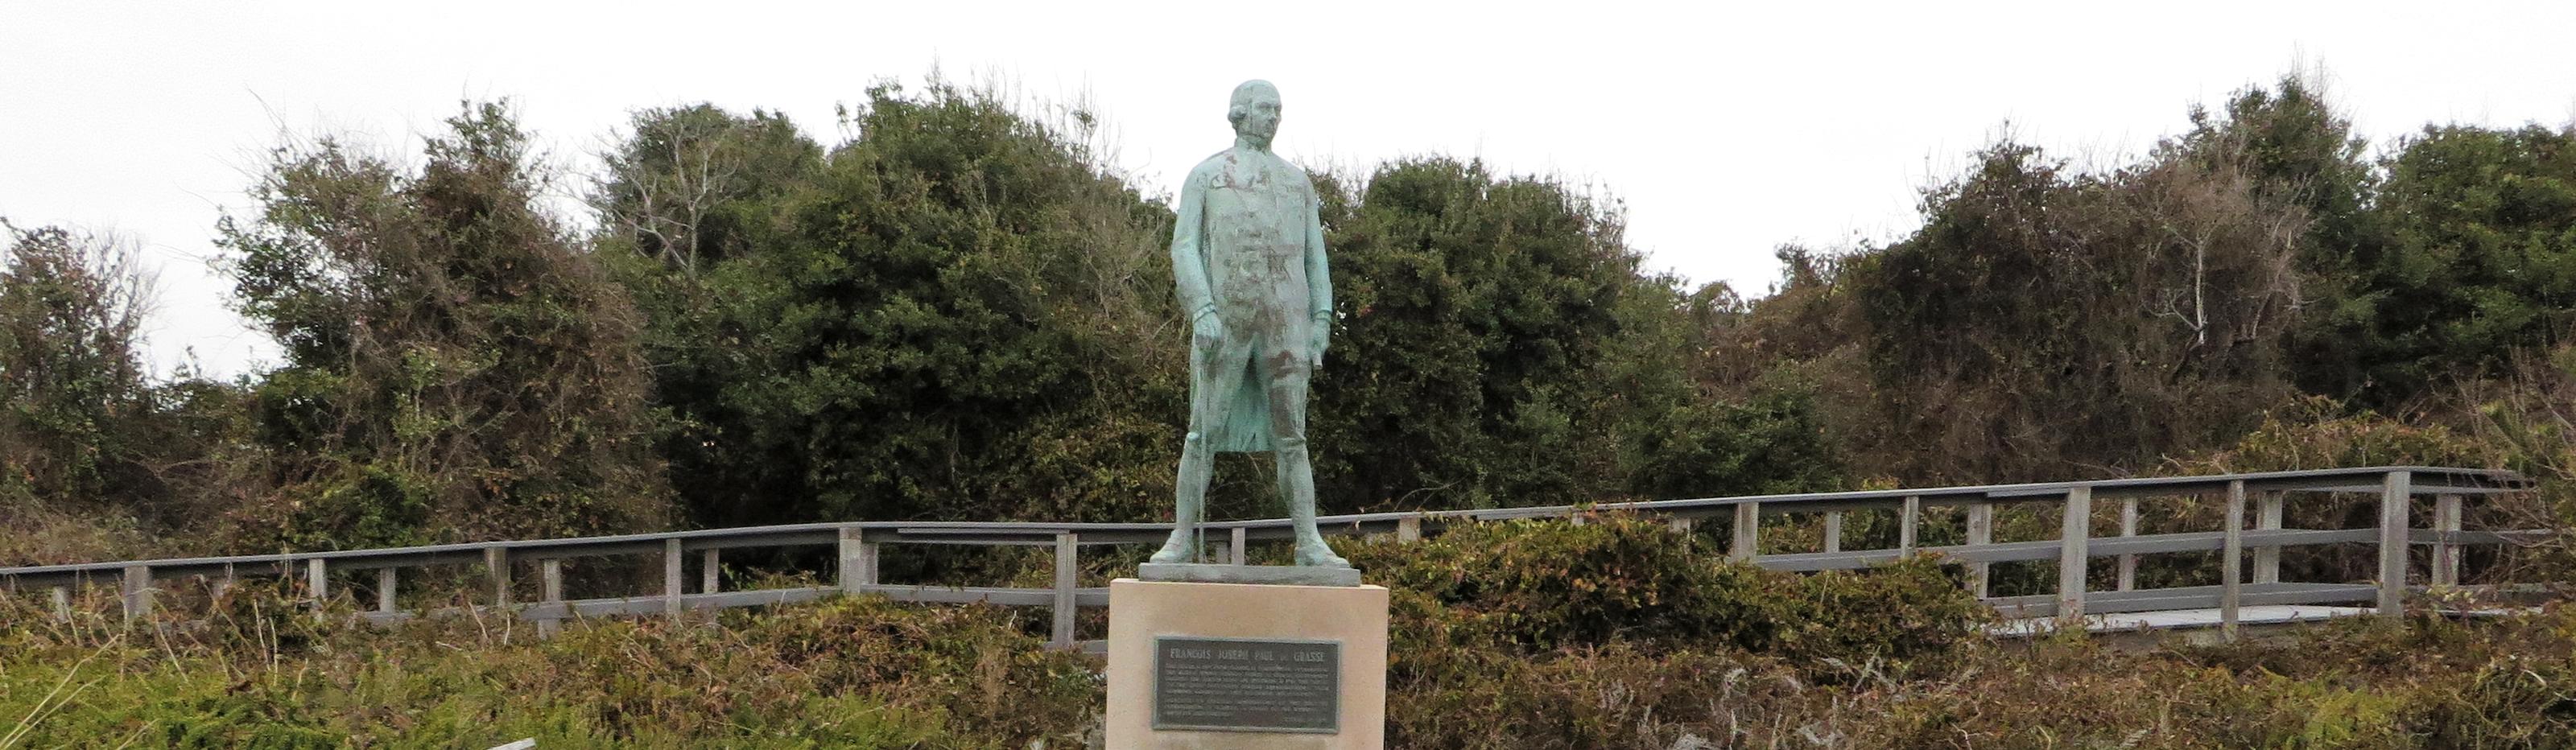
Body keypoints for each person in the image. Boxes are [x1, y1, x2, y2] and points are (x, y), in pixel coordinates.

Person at [1148, 80, 1349, 568]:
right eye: (1264, 108)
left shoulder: (1297, 182)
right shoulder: (1207, 175)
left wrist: (1321, 318)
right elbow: (1184, 247)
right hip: (1227, 322)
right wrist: (1202, 309)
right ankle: (1180, 537)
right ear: (1238, 114)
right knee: (1202, 433)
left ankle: (1309, 540)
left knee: (1293, 437)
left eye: (1278, 109)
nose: (1273, 117)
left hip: (1287, 323)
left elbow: (1314, 256)